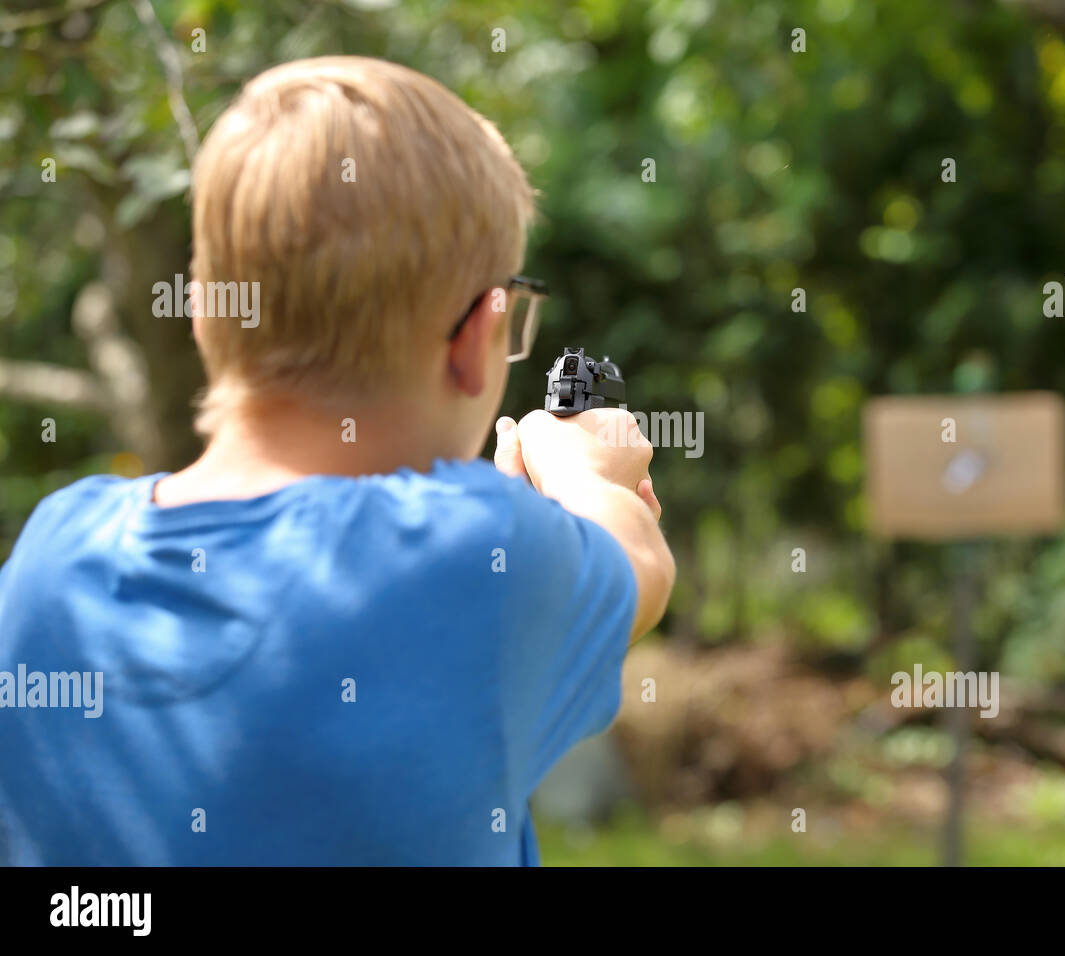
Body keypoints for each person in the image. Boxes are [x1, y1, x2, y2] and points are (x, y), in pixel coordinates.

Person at [0, 56, 674, 865]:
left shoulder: (49, 557)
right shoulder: (476, 565)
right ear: (475, 340)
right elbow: (635, 559)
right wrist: (578, 470)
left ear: (209, 319)